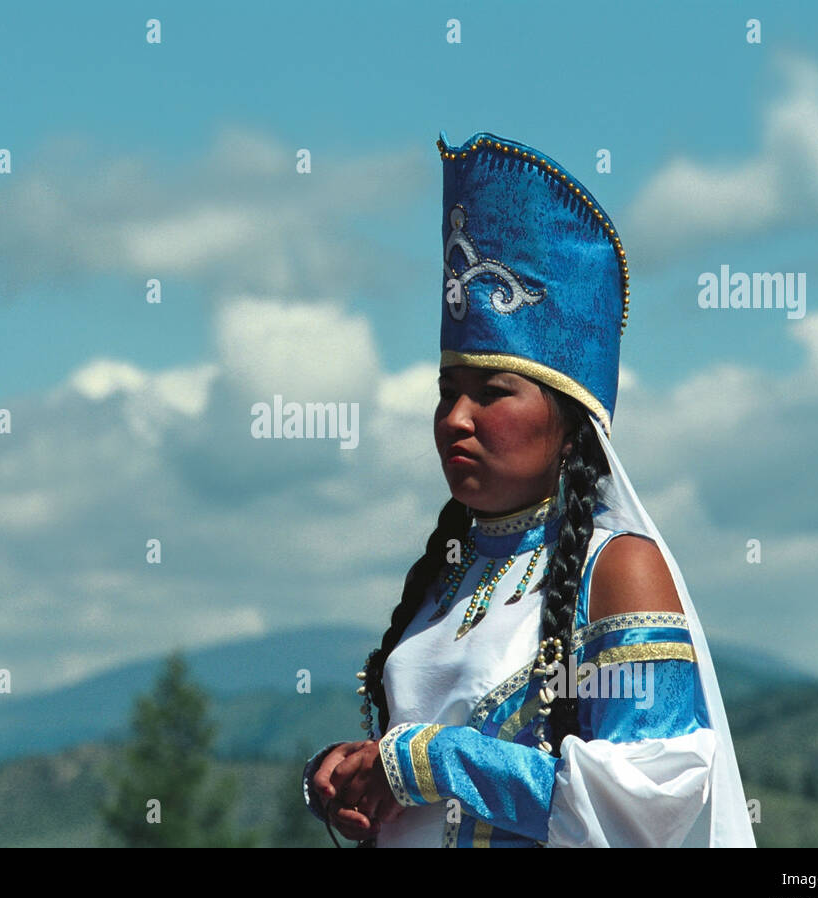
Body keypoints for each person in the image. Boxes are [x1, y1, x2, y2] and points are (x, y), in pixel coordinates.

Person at [301, 130, 756, 847]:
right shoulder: (446, 572)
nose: (455, 418)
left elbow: (648, 802)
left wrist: (425, 760)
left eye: (491, 391)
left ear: (568, 418)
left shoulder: (620, 568)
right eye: (447, 390)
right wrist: (355, 777)